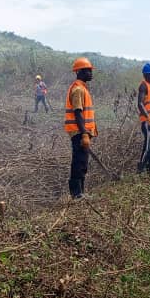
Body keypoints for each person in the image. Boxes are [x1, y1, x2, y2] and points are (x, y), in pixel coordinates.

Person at [65, 57, 97, 199]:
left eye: (90, 70)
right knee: (78, 162)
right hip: (79, 132)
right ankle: (76, 194)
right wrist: (84, 133)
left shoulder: (82, 88)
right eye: (87, 70)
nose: (90, 73)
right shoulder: (78, 89)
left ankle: (80, 193)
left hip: (82, 132)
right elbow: (78, 113)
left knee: (82, 162)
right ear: (79, 72)